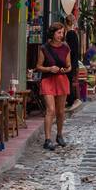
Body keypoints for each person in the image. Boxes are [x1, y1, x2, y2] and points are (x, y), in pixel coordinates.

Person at [36, 22, 72, 150]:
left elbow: (69, 66)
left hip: (61, 80)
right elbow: (38, 66)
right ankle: (47, 139)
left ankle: (59, 135)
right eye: (58, 33)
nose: (61, 35)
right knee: (50, 110)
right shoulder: (44, 48)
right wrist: (50, 69)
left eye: (62, 33)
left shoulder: (66, 48)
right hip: (48, 80)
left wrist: (64, 70)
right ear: (53, 33)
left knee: (61, 111)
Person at [64, 15, 81, 108]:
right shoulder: (72, 33)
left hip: (70, 61)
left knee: (69, 80)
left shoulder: (71, 34)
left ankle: (70, 100)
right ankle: (70, 99)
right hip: (72, 61)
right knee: (69, 80)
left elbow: (72, 50)